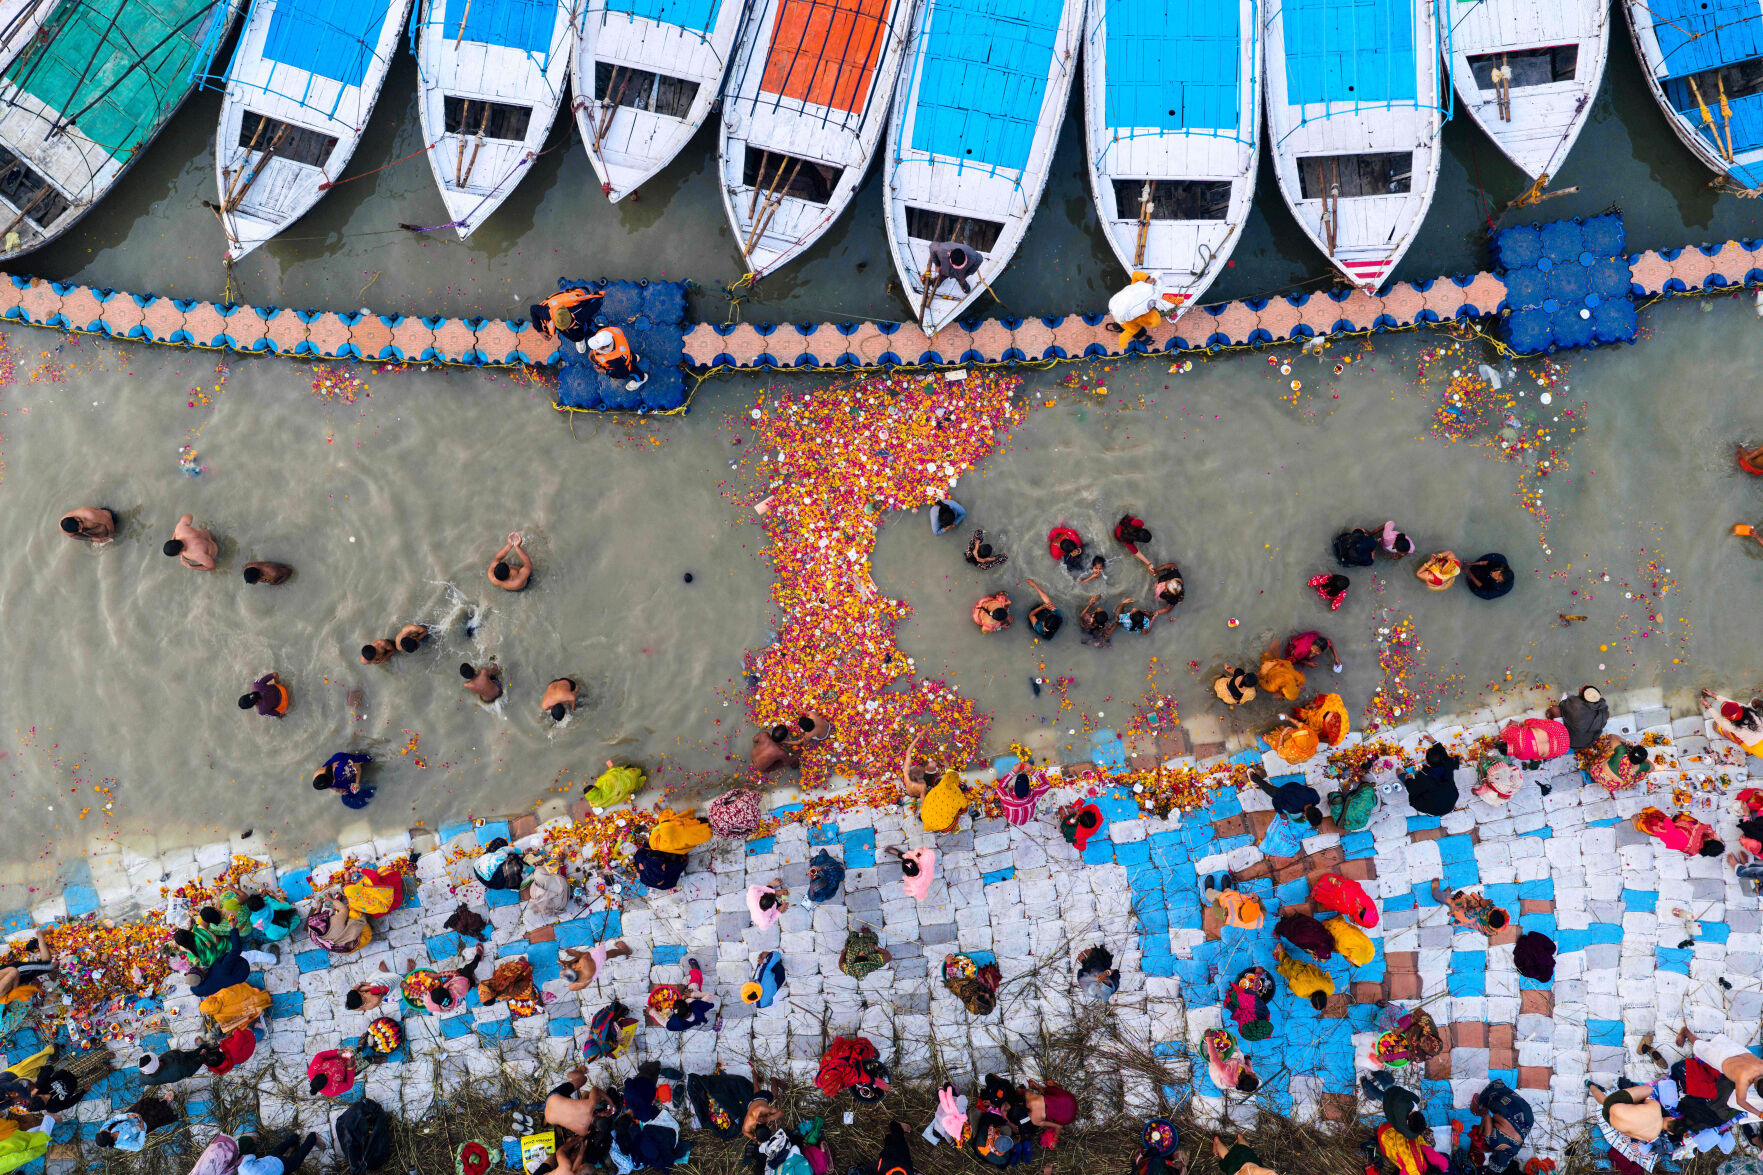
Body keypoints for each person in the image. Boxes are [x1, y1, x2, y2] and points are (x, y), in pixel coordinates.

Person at [1676, 1026, 1763, 1117]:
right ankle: (1686, 1032)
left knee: (1712, 1047)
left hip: (1737, 1050)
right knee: (1701, 1048)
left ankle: (1709, 1044)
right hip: (1722, 1058)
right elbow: (1741, 1102)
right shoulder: (1743, 1080)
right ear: (1755, 1087)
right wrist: (1759, 1114)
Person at [1105, 271, 1186, 344]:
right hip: (1127, 320)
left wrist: (1146, 279)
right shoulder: (1149, 300)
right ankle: (1141, 338)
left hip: (1114, 307)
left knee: (1123, 320)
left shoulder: (1136, 286)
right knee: (1137, 330)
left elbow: (1135, 274)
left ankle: (1117, 324)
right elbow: (1154, 321)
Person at [1468, 1081, 1533, 1170]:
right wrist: (1480, 1132)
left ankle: (1503, 1093)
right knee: (1479, 1107)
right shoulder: (1494, 1143)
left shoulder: (1514, 1150)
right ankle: (1489, 1095)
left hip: (1526, 1114)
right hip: (1509, 1109)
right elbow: (1487, 1116)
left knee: (1502, 1123)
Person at [1587, 1081, 1666, 1142]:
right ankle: (1592, 1087)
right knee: (1606, 1103)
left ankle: (1591, 1085)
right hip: (1612, 1120)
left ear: (1671, 1118)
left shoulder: (1656, 1107)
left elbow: (1645, 1100)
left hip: (1615, 1106)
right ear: (1670, 1132)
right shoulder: (1652, 1136)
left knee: (1649, 1089)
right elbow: (1628, 1133)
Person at [96, 1094, 179, 1150]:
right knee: (156, 1115)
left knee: (145, 1105)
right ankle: (166, 1102)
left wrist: (127, 1116)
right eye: (103, 1131)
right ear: (109, 1135)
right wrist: (142, 1130)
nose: (102, 1129)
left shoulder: (104, 1129)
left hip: (132, 1117)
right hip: (142, 1125)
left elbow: (113, 1119)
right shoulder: (122, 1143)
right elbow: (138, 1146)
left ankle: (162, 1102)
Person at [1360, 1069, 1426, 1138]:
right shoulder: (1411, 1135)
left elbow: (1402, 1093)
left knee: (1388, 1087)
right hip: (1388, 1108)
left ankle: (1377, 1075)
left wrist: (1415, 1099)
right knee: (1381, 1096)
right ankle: (1365, 1083)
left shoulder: (1407, 1104)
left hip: (1393, 1095)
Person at [1634, 807, 1723, 857]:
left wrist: (1668, 820)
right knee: (1652, 813)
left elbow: (1671, 831)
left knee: (1649, 825)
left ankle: (1637, 826)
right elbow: (1707, 830)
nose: (1715, 837)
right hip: (1678, 828)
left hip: (1668, 829)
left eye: (1715, 839)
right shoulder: (1704, 840)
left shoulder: (1687, 841)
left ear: (1709, 840)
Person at [530, 284, 605, 342]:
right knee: (575, 338)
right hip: (571, 324)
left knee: (583, 331)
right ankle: (581, 339)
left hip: (579, 321)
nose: (561, 328)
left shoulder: (581, 314)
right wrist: (540, 330)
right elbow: (533, 309)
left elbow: (598, 302)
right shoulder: (549, 313)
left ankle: (589, 332)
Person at [1401, 743, 1460, 815]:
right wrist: (1434, 742)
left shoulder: (1424, 776)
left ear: (1427, 762)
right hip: (1450, 801)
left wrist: (1408, 780)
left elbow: (1411, 789)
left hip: (1434, 808)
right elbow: (1444, 754)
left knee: (1402, 775)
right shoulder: (1448, 764)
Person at [1432, 881, 1508, 936]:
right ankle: (1446, 895)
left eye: (1488, 912)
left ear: (1487, 919)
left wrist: (1462, 898)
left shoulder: (1473, 919)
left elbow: (1461, 913)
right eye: (1491, 910)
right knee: (1454, 897)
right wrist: (1481, 901)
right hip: (1471, 905)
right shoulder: (1494, 916)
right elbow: (1488, 905)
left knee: (1450, 900)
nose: (1489, 909)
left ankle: (1436, 894)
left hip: (1462, 910)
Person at [1586, 734, 1653, 796]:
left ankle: (1590, 770)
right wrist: (1642, 758)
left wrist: (1626, 743)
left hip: (1595, 773)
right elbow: (1652, 767)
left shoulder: (1621, 752)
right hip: (1609, 786)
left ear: (1630, 752)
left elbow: (1611, 736)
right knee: (1643, 773)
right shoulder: (1640, 766)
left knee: (1611, 748)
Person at [1704, 689, 1763, 756]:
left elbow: (1718, 719)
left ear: (1729, 718)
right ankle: (1757, 703)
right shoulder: (1748, 711)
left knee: (1715, 725)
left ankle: (1756, 703)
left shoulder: (1731, 726)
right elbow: (1732, 703)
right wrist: (1715, 695)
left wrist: (1709, 706)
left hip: (1758, 750)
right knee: (1755, 703)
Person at [1255, 770, 1323, 829]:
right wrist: (1281, 812)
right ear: (1306, 815)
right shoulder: (1293, 809)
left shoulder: (1316, 798)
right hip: (1284, 790)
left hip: (1294, 785)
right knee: (1269, 789)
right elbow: (1275, 800)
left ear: (1317, 809)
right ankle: (1253, 776)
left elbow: (1308, 789)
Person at [1273, 945, 1332, 1010]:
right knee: (1286, 964)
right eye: (1312, 1005)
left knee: (1287, 967)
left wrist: (1327, 974)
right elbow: (1291, 984)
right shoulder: (1301, 991)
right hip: (1296, 970)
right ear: (1311, 1001)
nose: (1311, 1005)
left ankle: (1281, 963)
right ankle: (1280, 949)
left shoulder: (1330, 989)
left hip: (1308, 968)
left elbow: (1327, 975)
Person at [1549, 685, 1609, 750]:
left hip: (1569, 741)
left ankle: (1550, 718)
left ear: (1582, 694)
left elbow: (1562, 704)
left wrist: (1577, 697)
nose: (1580, 688)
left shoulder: (1575, 704)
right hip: (1587, 743)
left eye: (1581, 689)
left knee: (1554, 710)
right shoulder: (1602, 707)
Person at [238, 1132, 322, 1175]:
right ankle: (294, 1138)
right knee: (280, 1149)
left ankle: (312, 1137)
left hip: (281, 1166)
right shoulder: (242, 1168)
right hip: (269, 1159)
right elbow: (250, 1155)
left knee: (297, 1161)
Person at [1203, 1030, 1258, 1094]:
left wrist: (1209, 1039)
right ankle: (1230, 1047)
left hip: (1219, 1072)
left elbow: (1214, 1059)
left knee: (1218, 1055)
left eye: (1254, 1075)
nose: (1254, 1074)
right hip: (1234, 1065)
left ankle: (1211, 1053)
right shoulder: (1249, 1073)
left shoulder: (1227, 1073)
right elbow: (1250, 1069)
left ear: (1246, 1076)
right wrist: (1248, 1060)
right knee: (1239, 1055)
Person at [564, 940, 633, 991]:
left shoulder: (578, 982)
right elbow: (585, 954)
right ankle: (625, 951)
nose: (573, 966)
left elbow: (571, 987)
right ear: (578, 968)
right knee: (608, 954)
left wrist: (568, 963)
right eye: (573, 966)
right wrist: (574, 953)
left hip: (592, 973)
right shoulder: (586, 965)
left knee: (606, 956)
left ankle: (623, 952)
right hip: (594, 963)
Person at [139, 1045, 208, 1086]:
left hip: (180, 1065)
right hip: (184, 1064)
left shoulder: (144, 1078)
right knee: (199, 1054)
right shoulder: (177, 1067)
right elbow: (191, 1068)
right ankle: (204, 1050)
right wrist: (202, 1056)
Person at [1211, 1133, 1278, 1175]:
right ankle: (1217, 1141)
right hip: (1240, 1167)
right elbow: (1271, 1173)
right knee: (1227, 1157)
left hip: (1246, 1161)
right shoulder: (1253, 1172)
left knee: (1244, 1149)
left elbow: (1271, 1173)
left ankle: (1240, 1137)